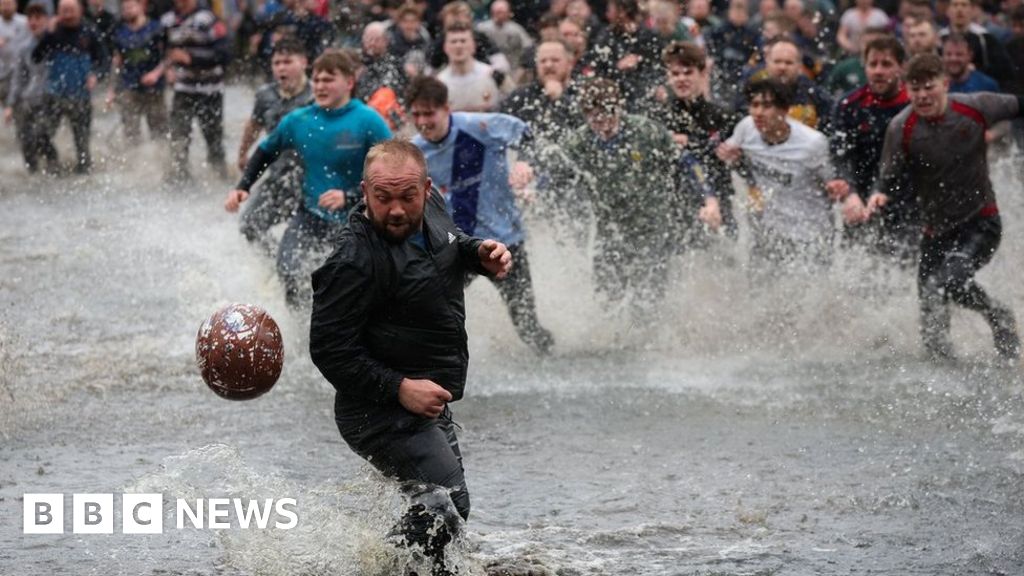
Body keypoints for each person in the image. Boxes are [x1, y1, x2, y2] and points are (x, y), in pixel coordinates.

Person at [309, 140, 513, 576]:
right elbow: (329, 349)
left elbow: (450, 241)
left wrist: (479, 254)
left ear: (427, 188)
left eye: (408, 197)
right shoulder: (352, 260)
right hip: (377, 409)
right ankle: (377, 567)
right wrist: (400, 388)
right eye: (383, 199)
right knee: (448, 506)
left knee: (446, 512)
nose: (397, 210)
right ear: (365, 192)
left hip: (429, 396)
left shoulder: (432, 206)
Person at [867, 53, 1023, 360]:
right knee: (931, 315)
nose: (923, 96)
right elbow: (886, 176)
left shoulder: (975, 106)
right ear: (906, 90)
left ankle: (997, 316)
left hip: (981, 222)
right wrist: (878, 194)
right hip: (936, 231)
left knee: (949, 282)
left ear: (945, 84)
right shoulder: (901, 127)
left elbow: (1019, 104)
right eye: (915, 89)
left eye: (929, 87)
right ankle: (944, 377)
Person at [225, 49, 392, 309]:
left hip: (361, 218)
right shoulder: (299, 119)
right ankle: (305, 330)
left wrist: (349, 195)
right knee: (289, 271)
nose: (320, 86)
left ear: (349, 82)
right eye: (316, 80)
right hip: (311, 214)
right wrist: (242, 187)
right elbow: (266, 151)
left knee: (354, 285)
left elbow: (393, 171)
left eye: (328, 80)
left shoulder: (368, 120)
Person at [406, 76, 555, 354]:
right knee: (428, 310)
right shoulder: (415, 152)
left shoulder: (479, 126)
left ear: (446, 109)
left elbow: (527, 134)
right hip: (457, 245)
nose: (423, 121)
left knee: (526, 326)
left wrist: (524, 163)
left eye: (429, 114)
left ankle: (554, 363)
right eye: (416, 114)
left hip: (504, 241)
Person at [557, 78, 677, 314]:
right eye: (593, 115)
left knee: (647, 294)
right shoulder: (578, 142)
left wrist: (706, 201)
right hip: (610, 226)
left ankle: (650, 339)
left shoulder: (646, 131)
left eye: (607, 112)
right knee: (606, 293)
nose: (602, 121)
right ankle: (614, 340)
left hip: (652, 226)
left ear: (620, 107)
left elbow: (680, 163)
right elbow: (555, 175)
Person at [716, 78, 856, 268]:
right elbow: (728, 156)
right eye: (754, 105)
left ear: (783, 110)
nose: (758, 113)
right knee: (758, 291)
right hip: (770, 231)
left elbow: (834, 181)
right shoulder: (746, 128)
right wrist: (729, 156)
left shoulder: (812, 143)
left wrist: (838, 189)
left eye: (767, 106)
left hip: (811, 234)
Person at [831, 35, 917, 262]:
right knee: (857, 273)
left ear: (902, 68)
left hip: (906, 201)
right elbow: (840, 154)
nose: (878, 71)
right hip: (860, 200)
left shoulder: (915, 105)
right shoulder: (849, 105)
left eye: (886, 64)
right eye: (873, 64)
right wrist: (849, 193)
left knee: (906, 269)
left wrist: (884, 190)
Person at [654, 41, 742, 241]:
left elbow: (742, 166)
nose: (681, 79)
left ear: (702, 74)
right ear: (668, 77)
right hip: (676, 208)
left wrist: (736, 158)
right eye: (675, 74)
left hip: (719, 206)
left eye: (688, 72)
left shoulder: (722, 116)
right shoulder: (659, 118)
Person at [234, 37, 311, 258]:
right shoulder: (265, 95)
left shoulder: (317, 95)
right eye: (277, 63)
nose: (281, 68)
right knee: (249, 225)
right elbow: (254, 125)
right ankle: (275, 263)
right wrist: (243, 154)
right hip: (278, 175)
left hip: (310, 178)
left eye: (287, 62)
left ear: (304, 62)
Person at [162, 0, 231, 182]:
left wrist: (192, 58)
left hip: (210, 89)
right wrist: (167, 68)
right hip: (183, 89)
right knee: (178, 138)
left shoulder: (208, 19)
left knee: (213, 139)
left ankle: (220, 179)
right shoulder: (168, 20)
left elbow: (224, 54)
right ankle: (179, 180)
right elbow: (163, 50)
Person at [32, 0, 105, 174]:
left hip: (81, 97)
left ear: (80, 11)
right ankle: (54, 164)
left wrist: (96, 75)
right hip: (54, 95)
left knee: (82, 144)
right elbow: (36, 57)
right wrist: (46, 34)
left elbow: (104, 60)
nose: (67, 14)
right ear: (57, 12)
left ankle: (83, 178)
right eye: (63, 10)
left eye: (71, 10)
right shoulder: (53, 33)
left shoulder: (90, 32)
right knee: (40, 136)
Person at [106, 0, 167, 144]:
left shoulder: (156, 28)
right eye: (124, 8)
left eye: (131, 6)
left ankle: (161, 164)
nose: (127, 10)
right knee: (131, 134)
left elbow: (168, 56)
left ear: (142, 6)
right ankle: (134, 164)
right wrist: (111, 90)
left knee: (160, 134)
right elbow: (117, 62)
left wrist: (156, 73)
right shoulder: (119, 32)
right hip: (129, 87)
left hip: (155, 89)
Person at [4, 2, 55, 173]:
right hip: (29, 99)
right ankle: (33, 174)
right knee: (24, 139)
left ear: (47, 20)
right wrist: (10, 105)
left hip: (51, 99)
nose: (34, 22)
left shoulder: (58, 40)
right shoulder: (23, 47)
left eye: (38, 18)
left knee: (41, 135)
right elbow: (18, 78)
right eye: (31, 18)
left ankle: (54, 167)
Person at [500, 38, 581, 143]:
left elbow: (584, 130)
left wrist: (561, 99)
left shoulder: (583, 92)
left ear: (570, 63)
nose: (548, 65)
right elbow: (503, 131)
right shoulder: (520, 96)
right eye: (543, 61)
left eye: (555, 60)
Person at [939, 0, 1015, 89]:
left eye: (964, 5)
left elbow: (1004, 71)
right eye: (955, 5)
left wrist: (977, 70)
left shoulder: (985, 38)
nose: (959, 9)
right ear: (948, 11)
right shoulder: (939, 38)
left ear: (972, 10)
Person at [436, 22, 502, 112]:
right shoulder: (439, 83)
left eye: (463, 41)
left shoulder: (493, 75)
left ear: (473, 46)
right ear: (445, 47)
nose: (458, 46)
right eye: (453, 42)